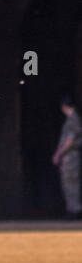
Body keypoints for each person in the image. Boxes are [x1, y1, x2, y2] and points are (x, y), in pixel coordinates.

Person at [52, 92, 81, 220]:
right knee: (68, 184)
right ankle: (72, 209)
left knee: (71, 185)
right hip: (69, 157)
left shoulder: (73, 120)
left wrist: (58, 154)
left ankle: (74, 211)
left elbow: (69, 141)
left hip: (71, 157)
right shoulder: (73, 120)